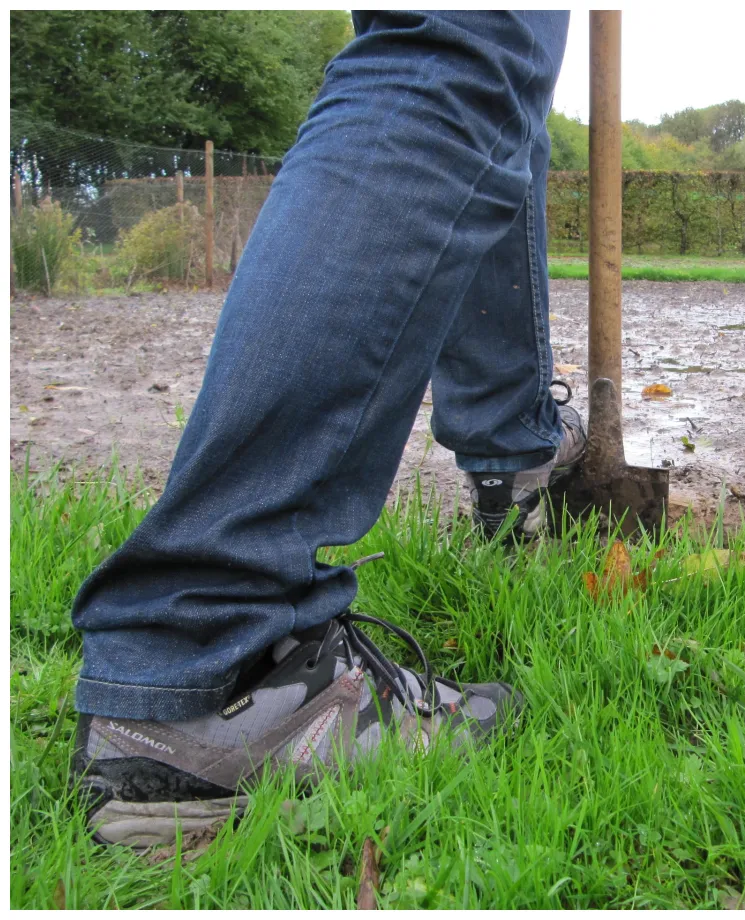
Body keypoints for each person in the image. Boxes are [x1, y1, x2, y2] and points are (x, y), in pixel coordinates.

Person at [70, 11, 580, 847]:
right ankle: (209, 658)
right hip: (202, 675)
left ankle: (512, 452)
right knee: (467, 52)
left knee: (494, 81)